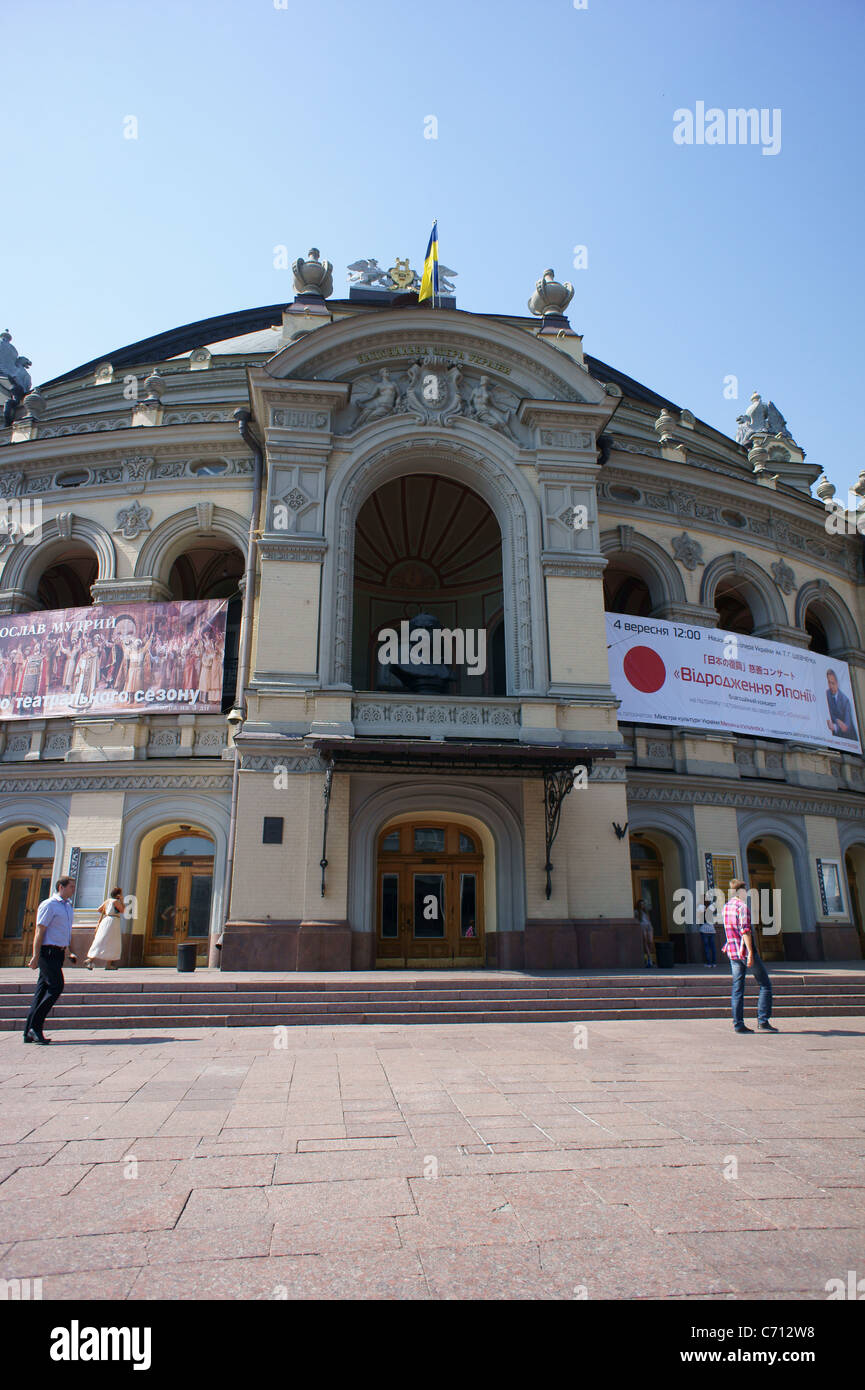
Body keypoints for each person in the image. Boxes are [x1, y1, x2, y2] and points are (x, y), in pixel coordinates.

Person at [23, 877, 77, 1044]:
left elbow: (63, 932)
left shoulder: (68, 907)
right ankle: (35, 1027)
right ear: (61, 887)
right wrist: (35, 955)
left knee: (41, 992)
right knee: (56, 986)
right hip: (47, 952)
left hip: (58, 952)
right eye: (71, 887)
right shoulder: (49, 904)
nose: (73, 889)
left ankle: (28, 1032)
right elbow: (40, 931)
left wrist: (69, 952)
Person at [722, 878, 778, 1034]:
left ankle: (738, 1024)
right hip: (744, 952)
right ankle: (763, 1020)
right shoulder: (742, 907)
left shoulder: (726, 907)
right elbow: (745, 930)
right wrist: (751, 953)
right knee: (765, 984)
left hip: (732, 951)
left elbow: (729, 930)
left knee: (737, 988)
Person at [84, 886, 124, 970]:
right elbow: (123, 910)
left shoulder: (108, 901)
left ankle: (90, 959)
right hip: (113, 922)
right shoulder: (116, 901)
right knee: (112, 941)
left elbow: (99, 909)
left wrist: (107, 911)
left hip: (106, 921)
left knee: (101, 940)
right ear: (118, 894)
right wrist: (122, 901)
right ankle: (108, 964)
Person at [826, 669, 857, 742]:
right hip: (834, 740)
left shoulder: (845, 700)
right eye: (829, 683)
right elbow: (830, 713)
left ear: (837, 683)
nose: (831, 686)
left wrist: (836, 727)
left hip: (849, 740)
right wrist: (837, 720)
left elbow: (846, 727)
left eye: (833, 683)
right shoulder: (827, 694)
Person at [696, 891, 718, 967]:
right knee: (712, 947)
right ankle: (714, 963)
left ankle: (708, 963)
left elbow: (698, 917)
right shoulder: (711, 906)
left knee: (706, 947)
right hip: (711, 929)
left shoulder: (700, 907)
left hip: (704, 929)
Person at [635, 898, 654, 967]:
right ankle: (649, 958)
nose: (642, 905)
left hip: (649, 926)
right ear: (638, 905)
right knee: (645, 941)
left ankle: (649, 956)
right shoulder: (636, 912)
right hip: (642, 927)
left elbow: (649, 920)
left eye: (643, 904)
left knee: (650, 941)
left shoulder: (646, 912)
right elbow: (636, 920)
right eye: (641, 904)